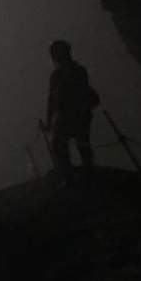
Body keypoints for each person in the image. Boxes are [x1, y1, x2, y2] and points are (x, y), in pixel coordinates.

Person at [42, 39, 99, 186]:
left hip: (67, 116)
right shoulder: (79, 70)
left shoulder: (58, 75)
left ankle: (69, 177)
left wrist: (49, 122)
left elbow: (53, 100)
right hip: (81, 114)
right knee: (82, 143)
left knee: (60, 145)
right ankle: (88, 173)